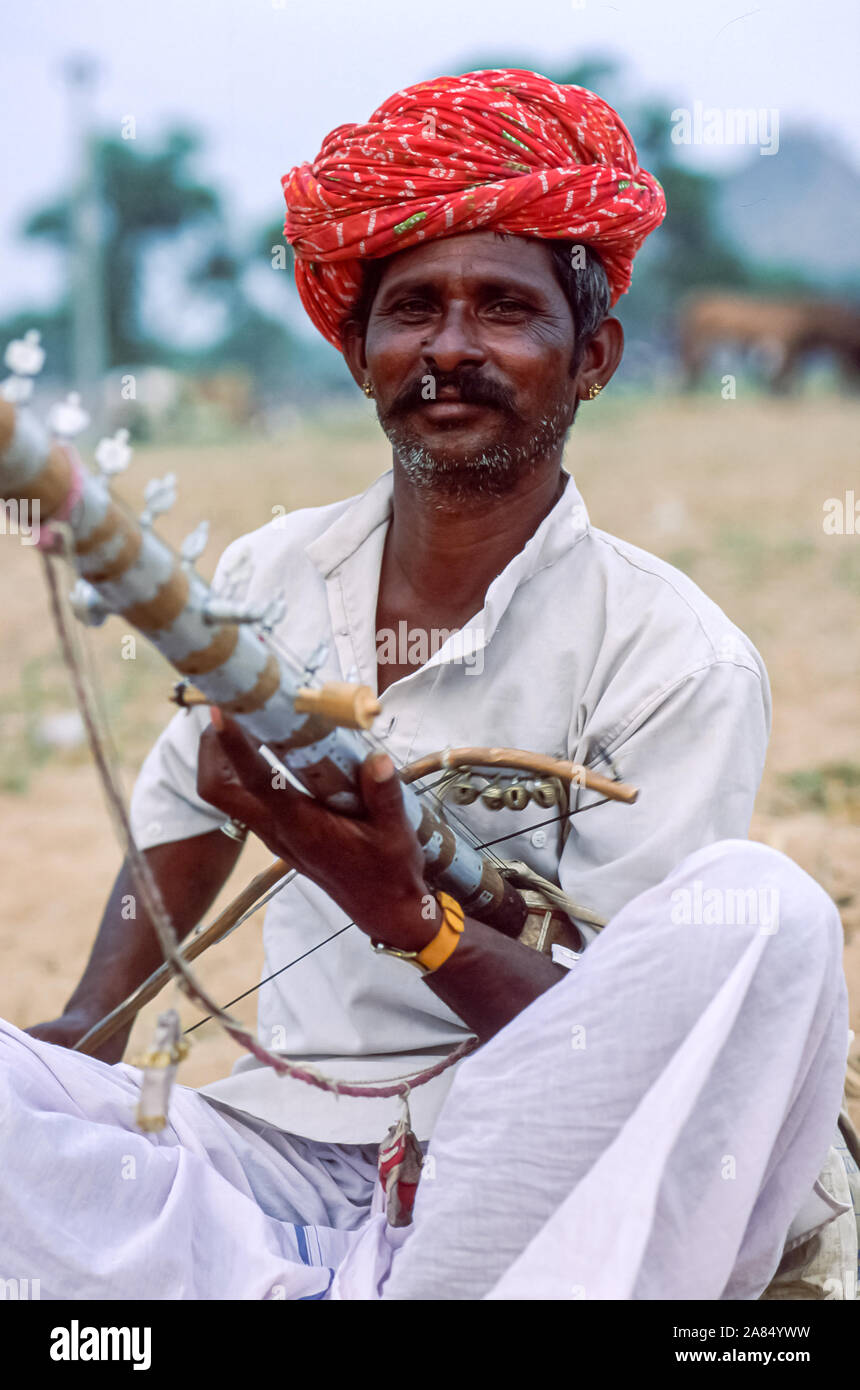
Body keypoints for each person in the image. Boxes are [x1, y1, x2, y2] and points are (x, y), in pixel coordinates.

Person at [6, 69, 850, 1301]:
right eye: (411, 310)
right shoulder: (270, 569)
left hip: (522, 1184)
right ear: (357, 352)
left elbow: (637, 1044)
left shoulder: (678, 657)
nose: (449, 348)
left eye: (503, 308)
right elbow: (188, 809)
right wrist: (87, 1029)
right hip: (271, 1154)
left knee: (769, 910)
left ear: (594, 356)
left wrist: (409, 916)